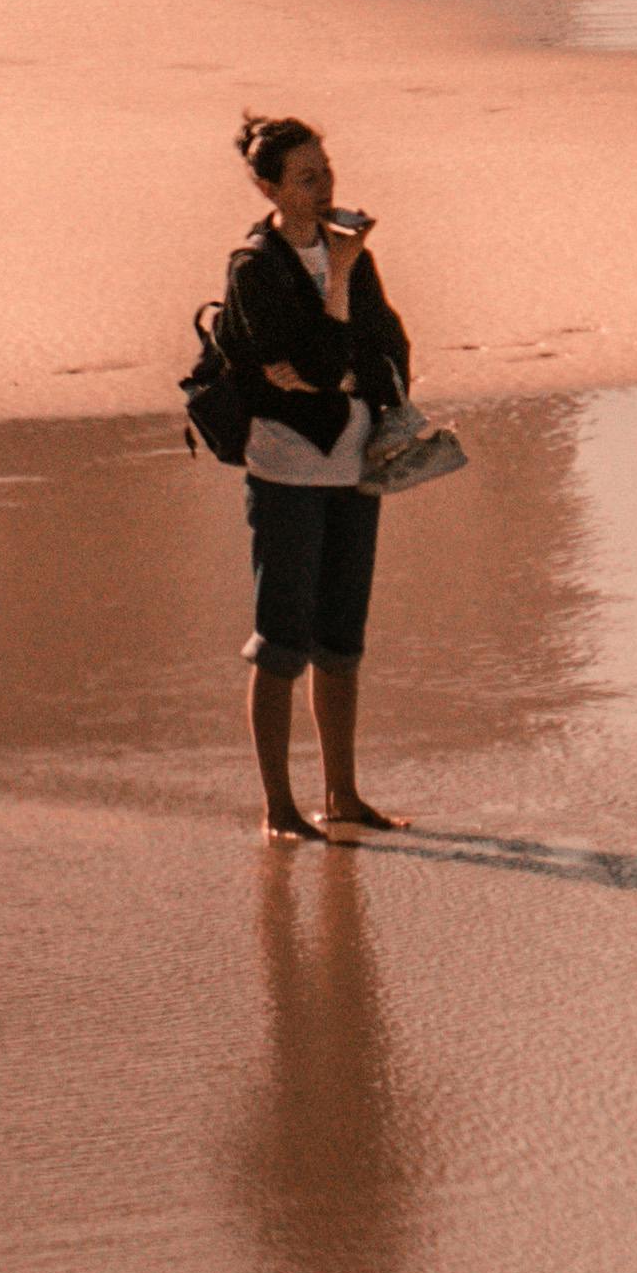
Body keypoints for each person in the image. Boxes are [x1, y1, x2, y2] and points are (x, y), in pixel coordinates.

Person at [223, 112, 412, 841]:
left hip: (355, 463)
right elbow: (322, 364)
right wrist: (334, 292)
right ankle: (279, 806)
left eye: (326, 170)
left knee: (342, 638)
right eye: (307, 176)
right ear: (271, 186)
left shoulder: (352, 251)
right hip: (287, 469)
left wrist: (328, 366)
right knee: (281, 641)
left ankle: (342, 793)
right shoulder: (254, 267)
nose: (325, 185)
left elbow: (385, 342)